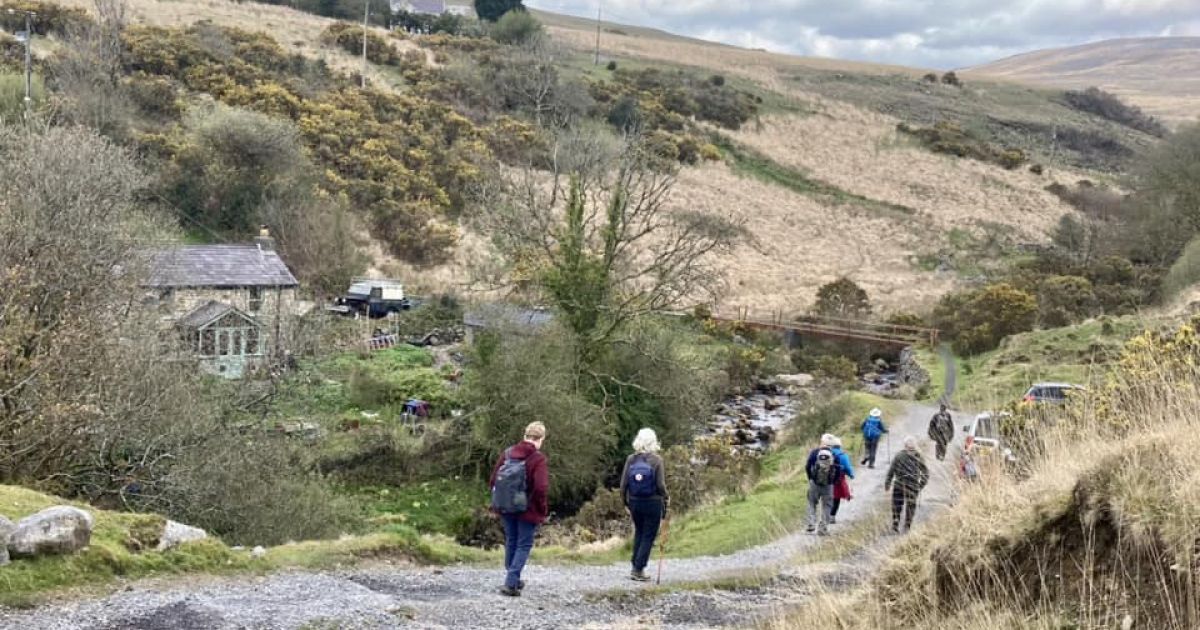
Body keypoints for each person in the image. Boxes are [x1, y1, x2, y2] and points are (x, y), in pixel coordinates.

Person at [489, 421, 550, 597]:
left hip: (505, 505)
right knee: (524, 544)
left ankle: (512, 575)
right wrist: (541, 508)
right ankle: (510, 583)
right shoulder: (537, 459)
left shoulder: (507, 454)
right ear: (540, 439)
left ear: (525, 436)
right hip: (527, 508)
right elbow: (541, 487)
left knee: (511, 540)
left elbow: (493, 480)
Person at [619, 428, 670, 582]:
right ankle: (638, 569)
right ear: (653, 442)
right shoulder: (657, 460)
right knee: (648, 535)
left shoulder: (631, 459)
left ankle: (635, 564)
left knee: (640, 532)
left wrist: (625, 503)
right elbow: (660, 485)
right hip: (653, 502)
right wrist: (667, 497)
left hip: (635, 501)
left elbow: (623, 485)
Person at [884, 436, 930, 533]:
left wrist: (887, 484)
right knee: (911, 506)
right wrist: (920, 485)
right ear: (915, 446)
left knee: (896, 505)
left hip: (899, 485)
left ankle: (895, 525)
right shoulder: (919, 456)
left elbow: (891, 471)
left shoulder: (899, 455)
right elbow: (926, 474)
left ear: (905, 445)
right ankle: (907, 526)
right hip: (913, 486)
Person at [805, 440, 843, 536]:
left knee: (811, 503)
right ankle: (823, 528)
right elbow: (839, 470)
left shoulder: (814, 453)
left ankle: (811, 524)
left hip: (814, 484)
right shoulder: (834, 455)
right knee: (827, 506)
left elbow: (807, 466)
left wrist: (810, 478)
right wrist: (833, 482)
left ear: (822, 444)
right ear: (831, 446)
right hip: (828, 485)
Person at [828, 436, 855, 524]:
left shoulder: (827, 454)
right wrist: (851, 475)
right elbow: (847, 467)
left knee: (828, 498)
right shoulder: (843, 455)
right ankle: (832, 516)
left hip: (826, 480)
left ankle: (826, 515)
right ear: (840, 446)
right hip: (838, 480)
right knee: (836, 498)